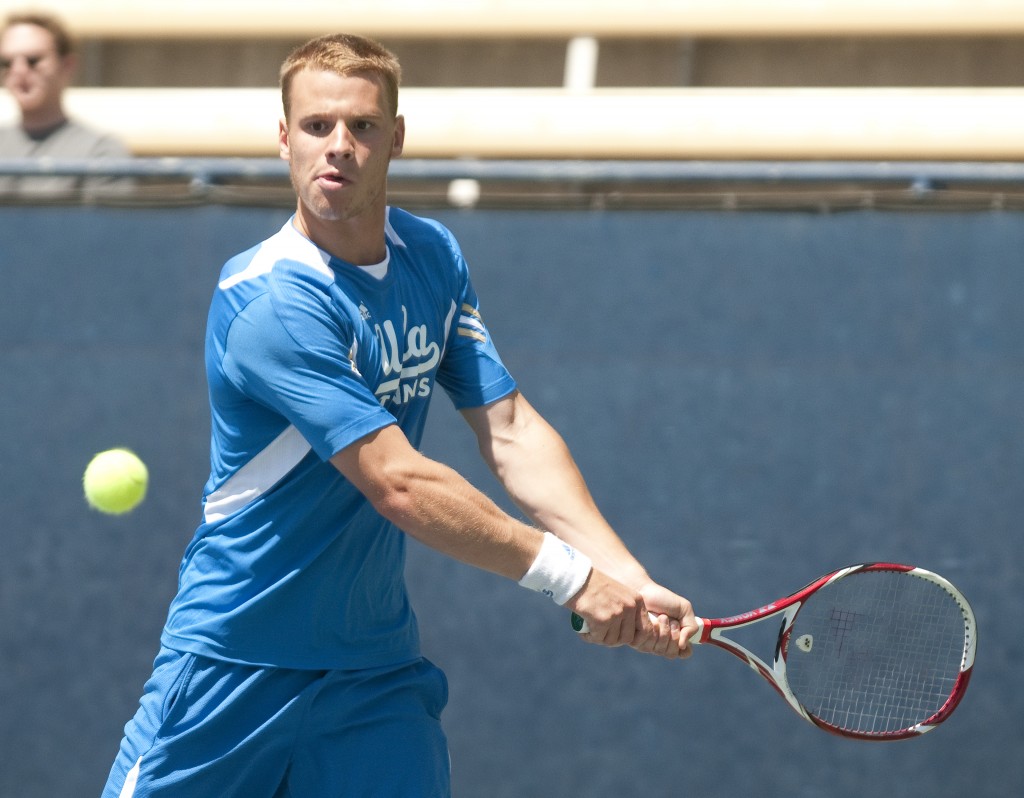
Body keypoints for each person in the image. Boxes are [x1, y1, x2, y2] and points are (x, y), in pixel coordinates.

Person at [101, 32, 697, 798]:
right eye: (317, 126)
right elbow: (399, 484)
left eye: (362, 126)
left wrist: (623, 572)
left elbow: (510, 429)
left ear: (396, 138)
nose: (338, 146)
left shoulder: (430, 254)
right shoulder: (271, 299)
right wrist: (572, 579)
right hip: (231, 667)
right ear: (284, 138)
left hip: (372, 678)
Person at [0, 11, 130, 198]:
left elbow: (104, 226)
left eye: (33, 60)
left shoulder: (100, 152)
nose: (19, 70)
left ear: (67, 65)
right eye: (6, 62)